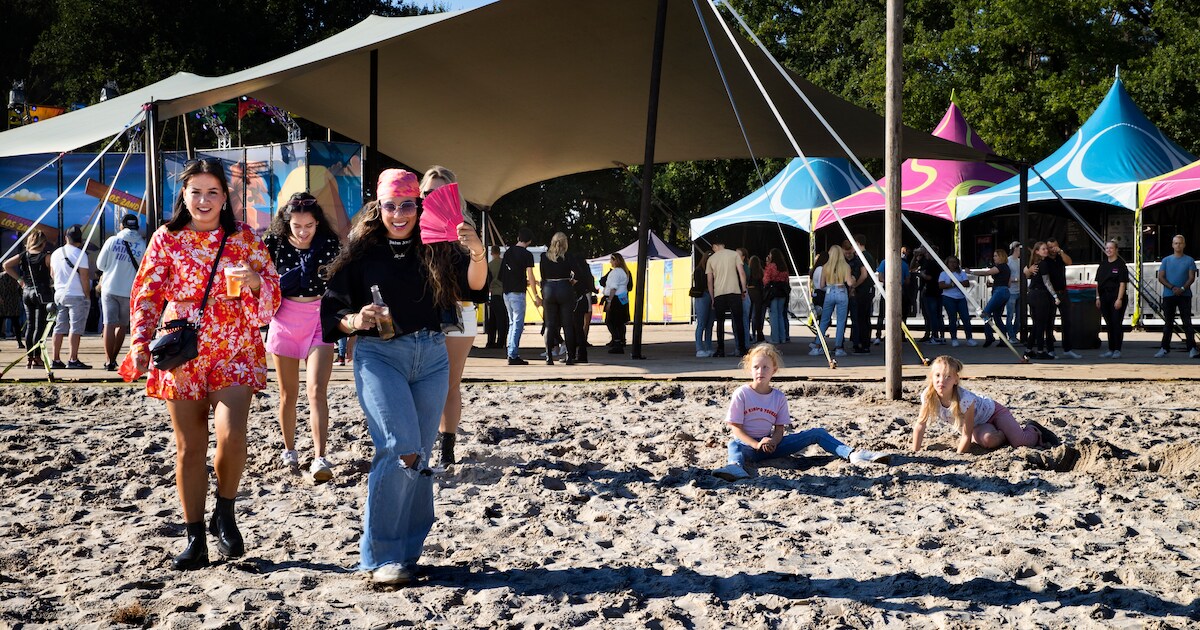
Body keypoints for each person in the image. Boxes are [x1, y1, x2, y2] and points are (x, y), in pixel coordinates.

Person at [320, 168, 486, 586]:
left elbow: (473, 288)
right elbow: (333, 311)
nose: (399, 214)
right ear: (379, 206)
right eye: (391, 205)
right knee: (400, 448)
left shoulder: (436, 244)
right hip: (379, 356)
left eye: (407, 205)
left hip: (431, 356)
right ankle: (382, 556)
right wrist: (355, 319)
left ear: (419, 205)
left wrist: (478, 253)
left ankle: (407, 554)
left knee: (420, 457)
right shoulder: (362, 251)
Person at [126, 158, 281, 570]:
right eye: (196, 191)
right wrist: (140, 342)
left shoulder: (244, 237)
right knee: (189, 447)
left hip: (235, 344)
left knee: (232, 434)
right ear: (184, 194)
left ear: (225, 197)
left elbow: (273, 294)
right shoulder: (166, 238)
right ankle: (195, 536)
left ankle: (225, 512)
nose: (204, 200)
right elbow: (146, 294)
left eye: (213, 192)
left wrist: (255, 282)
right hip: (184, 348)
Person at [711, 343, 887, 481]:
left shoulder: (778, 397)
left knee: (817, 433)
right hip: (747, 446)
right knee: (733, 445)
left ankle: (852, 454)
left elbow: (779, 429)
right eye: (756, 367)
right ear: (750, 369)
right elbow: (736, 429)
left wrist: (773, 442)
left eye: (765, 367)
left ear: (774, 370)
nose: (760, 371)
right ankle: (735, 466)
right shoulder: (742, 393)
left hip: (770, 446)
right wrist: (756, 445)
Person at [263, 192, 341, 481]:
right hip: (284, 318)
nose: (304, 231)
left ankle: (320, 457)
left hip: (319, 318)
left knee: (316, 390)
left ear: (317, 222)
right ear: (287, 224)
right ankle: (289, 450)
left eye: (309, 225)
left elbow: (342, 283)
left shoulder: (330, 244)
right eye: (297, 226)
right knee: (288, 394)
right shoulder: (273, 243)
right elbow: (258, 277)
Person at [421, 166, 489, 468]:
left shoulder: (464, 231)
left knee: (449, 385)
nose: (433, 197)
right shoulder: (407, 226)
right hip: (419, 312)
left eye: (441, 192)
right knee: (419, 384)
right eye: (428, 192)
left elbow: (476, 286)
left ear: (453, 196)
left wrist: (477, 251)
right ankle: (420, 444)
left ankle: (446, 451)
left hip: (458, 311)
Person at [913, 355, 1056, 453]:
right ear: (931, 377)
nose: (941, 381)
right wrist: (915, 452)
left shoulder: (964, 400)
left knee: (1019, 442)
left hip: (994, 413)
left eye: (947, 377)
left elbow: (966, 436)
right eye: (937, 376)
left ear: (956, 380)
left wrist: (958, 456)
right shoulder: (928, 396)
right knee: (988, 441)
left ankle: (1033, 429)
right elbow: (920, 425)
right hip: (978, 424)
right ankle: (1005, 434)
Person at [95, 213, 147, 370]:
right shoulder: (142, 245)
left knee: (109, 324)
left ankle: (108, 360)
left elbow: (100, 265)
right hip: (128, 291)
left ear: (121, 226)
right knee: (122, 326)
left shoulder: (112, 241)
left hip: (109, 288)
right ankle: (114, 358)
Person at [3, 230, 54, 367]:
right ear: (43, 243)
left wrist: (20, 280)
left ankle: (29, 358)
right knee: (39, 326)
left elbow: (6, 265)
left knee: (30, 326)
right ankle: (37, 357)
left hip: (27, 292)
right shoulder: (46, 257)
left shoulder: (24, 255)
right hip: (41, 293)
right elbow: (53, 274)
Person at [49, 224, 92, 369]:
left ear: (66, 238)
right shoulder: (81, 254)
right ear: (80, 240)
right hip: (76, 294)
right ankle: (73, 359)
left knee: (59, 327)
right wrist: (87, 295)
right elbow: (84, 277)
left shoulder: (56, 253)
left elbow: (52, 274)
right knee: (75, 327)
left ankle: (55, 359)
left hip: (59, 294)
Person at [499, 227, 540, 365]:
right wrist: (536, 295)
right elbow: (530, 275)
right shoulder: (527, 255)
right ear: (529, 241)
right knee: (517, 324)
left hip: (507, 292)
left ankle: (510, 352)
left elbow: (503, 275)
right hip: (518, 293)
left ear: (518, 238)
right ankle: (513, 354)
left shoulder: (508, 252)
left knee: (512, 323)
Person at [539, 232, 579, 366]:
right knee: (567, 324)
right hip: (564, 287)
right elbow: (577, 273)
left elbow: (542, 276)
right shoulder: (568, 256)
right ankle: (569, 356)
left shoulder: (544, 256)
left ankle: (549, 357)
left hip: (549, 289)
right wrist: (571, 282)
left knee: (549, 325)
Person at [1154, 234, 1197, 359]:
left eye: (1180, 243)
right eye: (1176, 243)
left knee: (1187, 322)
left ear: (1184, 245)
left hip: (1185, 295)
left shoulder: (1189, 260)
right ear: (1172, 245)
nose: (1178, 245)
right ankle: (1164, 348)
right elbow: (1161, 277)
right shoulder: (1166, 260)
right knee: (1168, 323)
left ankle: (1192, 348)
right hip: (1169, 295)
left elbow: (1191, 277)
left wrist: (1182, 288)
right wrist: (1172, 287)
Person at [706, 240, 747, 358]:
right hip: (734, 292)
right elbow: (741, 273)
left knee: (720, 322)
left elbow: (709, 281)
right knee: (738, 321)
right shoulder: (734, 255)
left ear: (715, 246)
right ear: (724, 245)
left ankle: (720, 349)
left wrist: (712, 297)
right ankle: (742, 348)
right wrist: (744, 289)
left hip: (719, 293)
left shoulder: (711, 259)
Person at [809, 245, 851, 358]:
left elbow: (822, 285)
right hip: (841, 291)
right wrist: (852, 279)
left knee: (824, 320)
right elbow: (850, 283)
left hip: (829, 292)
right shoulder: (846, 266)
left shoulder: (826, 267)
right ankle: (839, 348)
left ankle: (817, 346)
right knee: (841, 321)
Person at [1043, 238, 1081, 359]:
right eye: (1050, 247)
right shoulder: (1045, 260)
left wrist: (1061, 252)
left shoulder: (1060, 257)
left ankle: (1067, 348)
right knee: (1050, 322)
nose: (1052, 249)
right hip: (1051, 293)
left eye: (1054, 246)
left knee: (1067, 321)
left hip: (1063, 292)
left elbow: (1069, 262)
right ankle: (1050, 349)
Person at [968, 248, 1011, 347]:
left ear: (1001, 257)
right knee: (997, 317)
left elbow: (987, 273)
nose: (994, 258)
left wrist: (971, 272)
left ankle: (989, 336)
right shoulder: (1007, 268)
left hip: (999, 291)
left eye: (996, 256)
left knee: (986, 313)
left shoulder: (1001, 266)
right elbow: (1008, 284)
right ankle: (1003, 339)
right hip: (1004, 291)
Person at [1095, 240, 1129, 359]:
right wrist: (1098, 297)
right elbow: (1098, 283)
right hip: (1104, 297)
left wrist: (1119, 299)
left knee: (1116, 323)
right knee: (1109, 324)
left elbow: (1122, 284)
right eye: (1107, 248)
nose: (1108, 250)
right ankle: (1110, 349)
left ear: (1116, 250)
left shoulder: (1120, 265)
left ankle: (1117, 349)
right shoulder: (1103, 264)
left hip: (1116, 297)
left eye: (1111, 248)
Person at [1023, 241, 1057, 360]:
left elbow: (1026, 273)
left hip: (1032, 294)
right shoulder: (1043, 264)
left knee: (1037, 324)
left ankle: (1028, 350)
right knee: (1041, 324)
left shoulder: (1034, 263)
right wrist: (1055, 296)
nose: (1046, 250)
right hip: (1040, 295)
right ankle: (1040, 351)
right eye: (1043, 249)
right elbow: (1047, 282)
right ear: (1037, 251)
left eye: (1046, 249)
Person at [845, 236, 876, 354]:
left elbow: (864, 275)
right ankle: (865, 343)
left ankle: (863, 344)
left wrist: (855, 285)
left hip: (863, 290)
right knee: (865, 318)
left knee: (861, 318)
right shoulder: (869, 256)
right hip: (868, 290)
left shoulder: (862, 256)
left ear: (857, 243)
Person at [937, 255, 976, 347]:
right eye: (951, 262)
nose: (953, 264)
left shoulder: (961, 273)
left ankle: (969, 338)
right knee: (952, 318)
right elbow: (941, 285)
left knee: (966, 318)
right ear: (947, 263)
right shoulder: (943, 274)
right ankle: (954, 339)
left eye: (955, 262)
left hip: (961, 298)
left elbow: (966, 283)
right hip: (948, 297)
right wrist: (953, 285)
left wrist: (954, 283)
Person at [872, 254, 909, 345]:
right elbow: (907, 280)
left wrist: (888, 282)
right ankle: (901, 335)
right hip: (899, 290)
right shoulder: (904, 264)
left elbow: (880, 278)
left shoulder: (884, 262)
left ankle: (878, 336)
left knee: (882, 314)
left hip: (887, 290)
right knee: (901, 314)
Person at [603, 252, 632, 354]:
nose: (610, 262)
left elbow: (613, 287)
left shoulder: (616, 272)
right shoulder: (625, 272)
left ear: (616, 261)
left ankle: (617, 341)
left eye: (611, 260)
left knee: (610, 321)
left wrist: (609, 301)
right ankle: (621, 340)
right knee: (620, 321)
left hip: (615, 298)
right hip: (622, 297)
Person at [916, 247, 944, 345]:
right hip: (938, 291)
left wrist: (921, 274)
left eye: (927, 252)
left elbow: (929, 277)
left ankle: (935, 336)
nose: (926, 254)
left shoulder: (932, 264)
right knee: (938, 315)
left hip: (930, 291)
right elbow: (914, 264)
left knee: (932, 315)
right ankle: (941, 336)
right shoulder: (938, 263)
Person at [763, 249, 790, 344]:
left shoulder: (771, 266)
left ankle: (775, 338)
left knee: (773, 315)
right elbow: (787, 279)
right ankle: (783, 337)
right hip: (782, 291)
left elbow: (766, 280)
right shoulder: (784, 267)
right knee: (780, 315)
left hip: (773, 292)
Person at [485, 245, 507, 349]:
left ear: (491, 253)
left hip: (493, 293)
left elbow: (487, 281)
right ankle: (501, 342)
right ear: (499, 252)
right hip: (503, 293)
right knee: (502, 320)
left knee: (492, 320)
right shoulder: (504, 263)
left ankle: (490, 342)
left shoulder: (489, 265)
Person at [692, 251, 714, 358]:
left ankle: (708, 347)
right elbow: (700, 284)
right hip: (703, 295)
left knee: (709, 324)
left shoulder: (700, 270)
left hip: (707, 295)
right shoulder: (699, 270)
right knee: (702, 323)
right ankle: (700, 348)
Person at [1005, 241, 1023, 343]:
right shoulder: (1008, 260)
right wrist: (1016, 279)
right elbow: (1006, 275)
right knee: (1010, 315)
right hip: (1011, 291)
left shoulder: (1020, 261)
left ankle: (1014, 334)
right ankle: (1011, 336)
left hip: (1020, 290)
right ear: (1015, 248)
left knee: (1019, 316)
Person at [746, 255, 765, 344]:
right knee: (758, 315)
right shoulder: (761, 271)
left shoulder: (748, 271)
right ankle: (759, 334)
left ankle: (748, 334)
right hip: (758, 293)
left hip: (750, 291)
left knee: (748, 315)